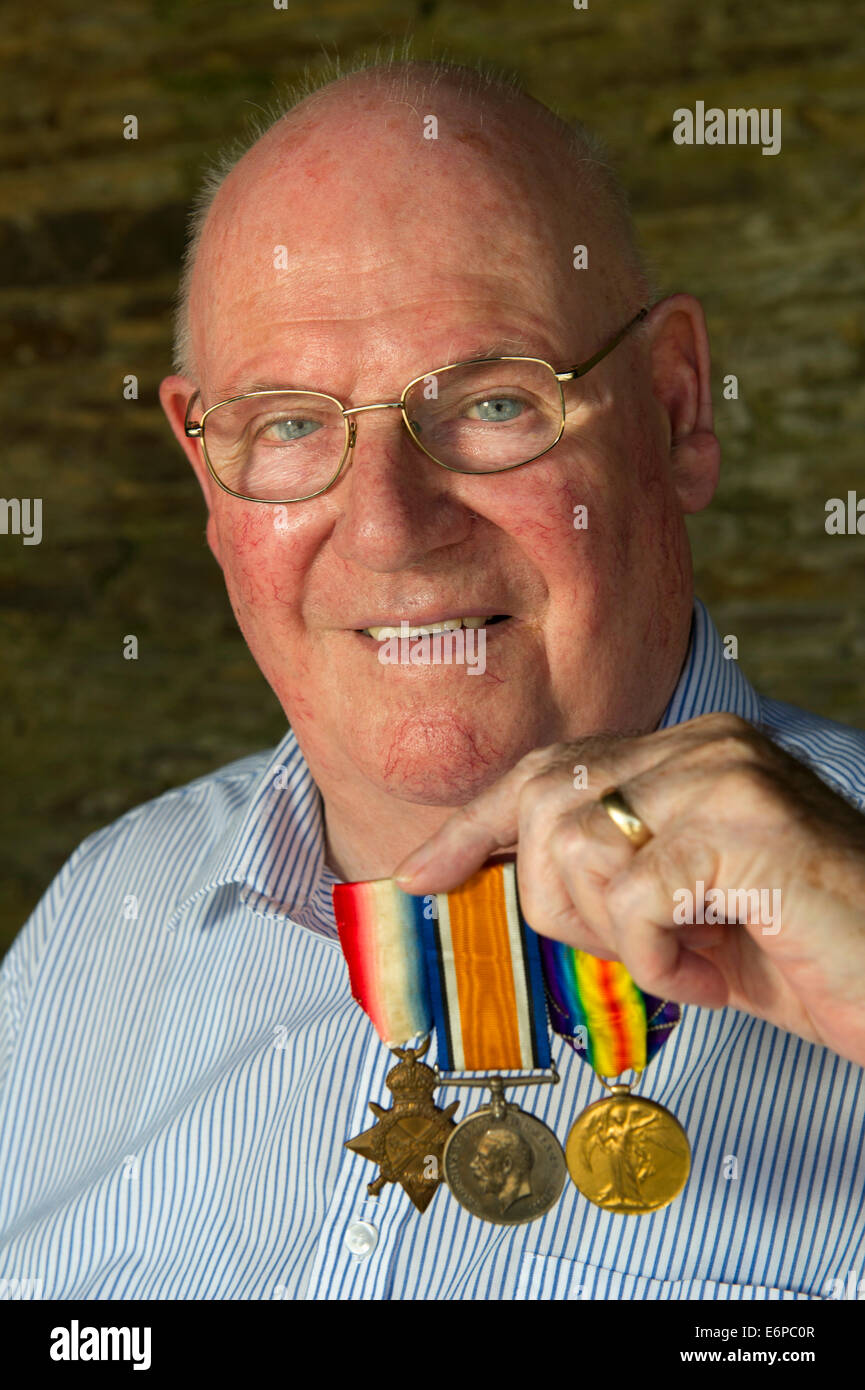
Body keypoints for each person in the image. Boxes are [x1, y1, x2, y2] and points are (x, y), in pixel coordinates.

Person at [1, 58, 863, 1302]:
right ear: (206, 470)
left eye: (494, 403)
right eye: (290, 426)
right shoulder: (95, 921)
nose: (391, 526)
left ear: (674, 409)